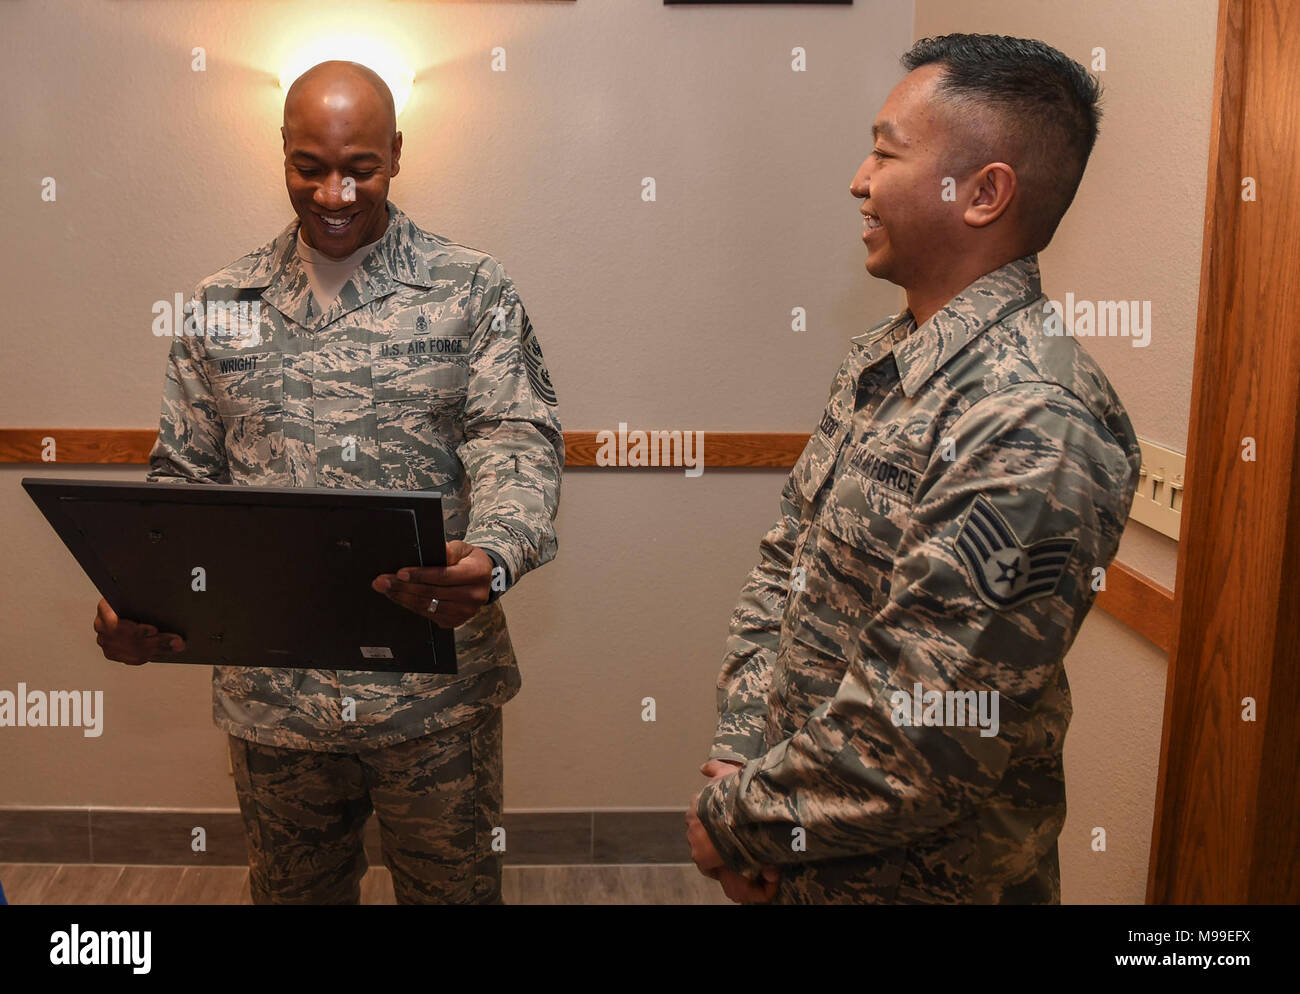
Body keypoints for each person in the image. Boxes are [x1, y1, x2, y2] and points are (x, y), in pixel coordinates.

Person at [92, 61, 563, 905]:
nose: (336, 194)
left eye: (362, 168)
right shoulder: (218, 304)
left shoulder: (471, 288)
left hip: (433, 697)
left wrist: (494, 554)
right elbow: (182, 483)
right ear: (281, 155)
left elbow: (516, 435)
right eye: (310, 167)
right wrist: (140, 598)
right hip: (275, 700)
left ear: (398, 154)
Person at [686, 33, 1141, 904]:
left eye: (886, 152)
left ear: (983, 193)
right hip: (798, 846)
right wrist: (743, 751)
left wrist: (732, 823)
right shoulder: (888, 359)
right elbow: (788, 566)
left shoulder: (1032, 420)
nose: (859, 180)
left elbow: (923, 739)